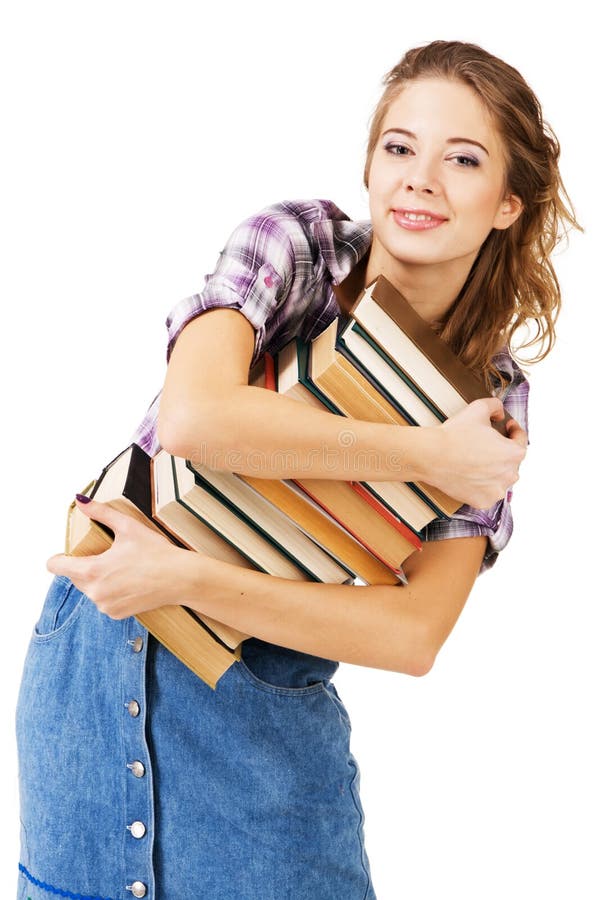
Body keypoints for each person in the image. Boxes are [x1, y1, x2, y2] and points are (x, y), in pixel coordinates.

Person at [16, 40, 579, 900]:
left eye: (461, 160)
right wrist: (430, 455)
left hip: (256, 679)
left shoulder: (492, 395)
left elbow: (412, 634)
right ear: (370, 165)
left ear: (507, 203)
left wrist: (184, 578)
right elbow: (195, 418)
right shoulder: (300, 247)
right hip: (95, 648)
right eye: (399, 147)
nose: (419, 179)